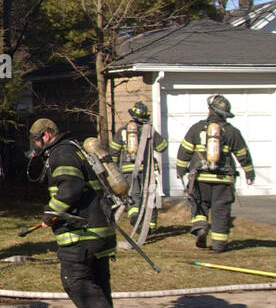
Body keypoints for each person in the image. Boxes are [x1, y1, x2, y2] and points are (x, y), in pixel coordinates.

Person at [28, 117, 119, 308]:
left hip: (82, 234)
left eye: (36, 139)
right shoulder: (75, 148)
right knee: (97, 285)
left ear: (46, 135)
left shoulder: (61, 153)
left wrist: (50, 213)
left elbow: (70, 188)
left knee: (76, 281)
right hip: (99, 231)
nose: (35, 145)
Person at [175, 94, 255, 252]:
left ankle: (201, 228)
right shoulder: (232, 132)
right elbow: (243, 154)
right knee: (221, 211)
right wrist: (249, 174)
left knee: (199, 205)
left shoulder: (196, 128)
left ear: (210, 110)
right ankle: (218, 245)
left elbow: (184, 151)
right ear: (225, 114)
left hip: (199, 178)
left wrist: (180, 170)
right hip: (224, 180)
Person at [109, 101, 169, 227]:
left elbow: (113, 153)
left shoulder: (122, 131)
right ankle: (150, 226)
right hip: (148, 171)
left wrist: (114, 173)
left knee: (133, 196)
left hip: (128, 172)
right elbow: (162, 147)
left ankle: (134, 217)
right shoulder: (149, 130)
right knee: (150, 196)